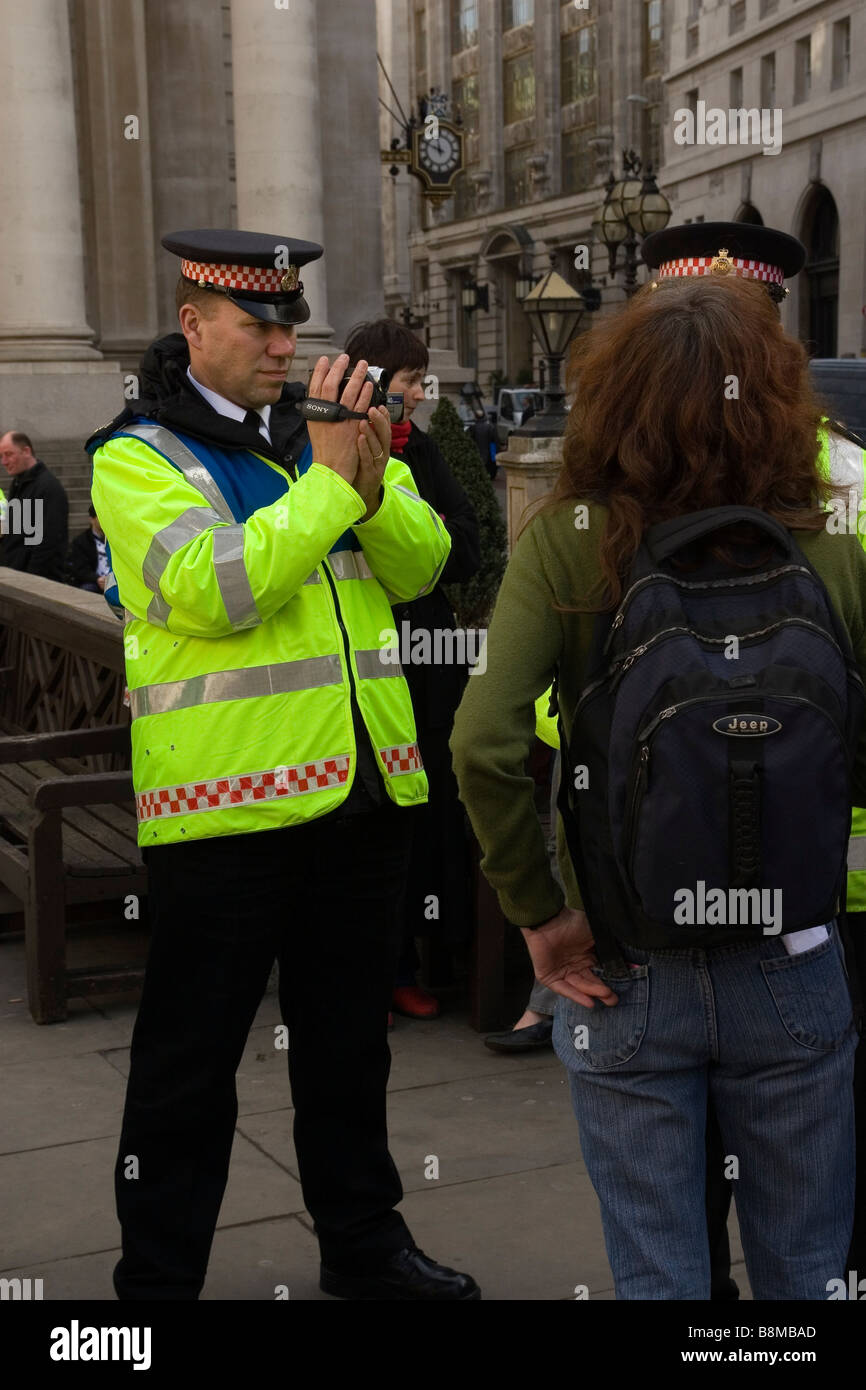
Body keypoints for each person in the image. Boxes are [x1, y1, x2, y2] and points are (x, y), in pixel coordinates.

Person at [451, 266, 866, 1299]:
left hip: (622, 961)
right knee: (806, 1274)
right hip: (794, 954)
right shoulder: (833, 545)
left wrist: (538, 913)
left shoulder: (567, 540)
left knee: (657, 1281)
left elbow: (484, 742)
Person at [88, 228, 480, 1302]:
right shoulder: (137, 455)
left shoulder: (321, 434)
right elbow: (216, 586)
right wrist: (325, 475)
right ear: (193, 323)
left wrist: (367, 457)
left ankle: (363, 1245)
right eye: (257, 323)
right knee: (187, 1067)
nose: (281, 342)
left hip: (358, 794)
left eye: (290, 322)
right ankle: (155, 1282)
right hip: (225, 810)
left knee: (349, 1052)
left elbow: (423, 563)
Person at [344, 320, 481, 1020]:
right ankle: (386, 964)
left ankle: (439, 950)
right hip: (371, 658)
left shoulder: (425, 449)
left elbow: (467, 544)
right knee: (379, 813)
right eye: (411, 383)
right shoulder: (332, 450)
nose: (423, 395)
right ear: (372, 384)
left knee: (435, 803)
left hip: (431, 658)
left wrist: (423, 532)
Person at [0, 430, 69, 581]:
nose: (4, 462)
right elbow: (15, 534)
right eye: (1, 456)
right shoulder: (18, 484)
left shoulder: (48, 487)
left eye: (9, 454)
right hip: (15, 577)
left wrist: (29, 580)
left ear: (26, 451)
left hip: (34, 583)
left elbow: (48, 542)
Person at [67, 502, 110, 591]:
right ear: (92, 519)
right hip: (94, 581)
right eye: (100, 516)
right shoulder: (81, 541)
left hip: (114, 580)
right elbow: (79, 568)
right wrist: (97, 579)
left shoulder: (114, 538)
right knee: (87, 588)